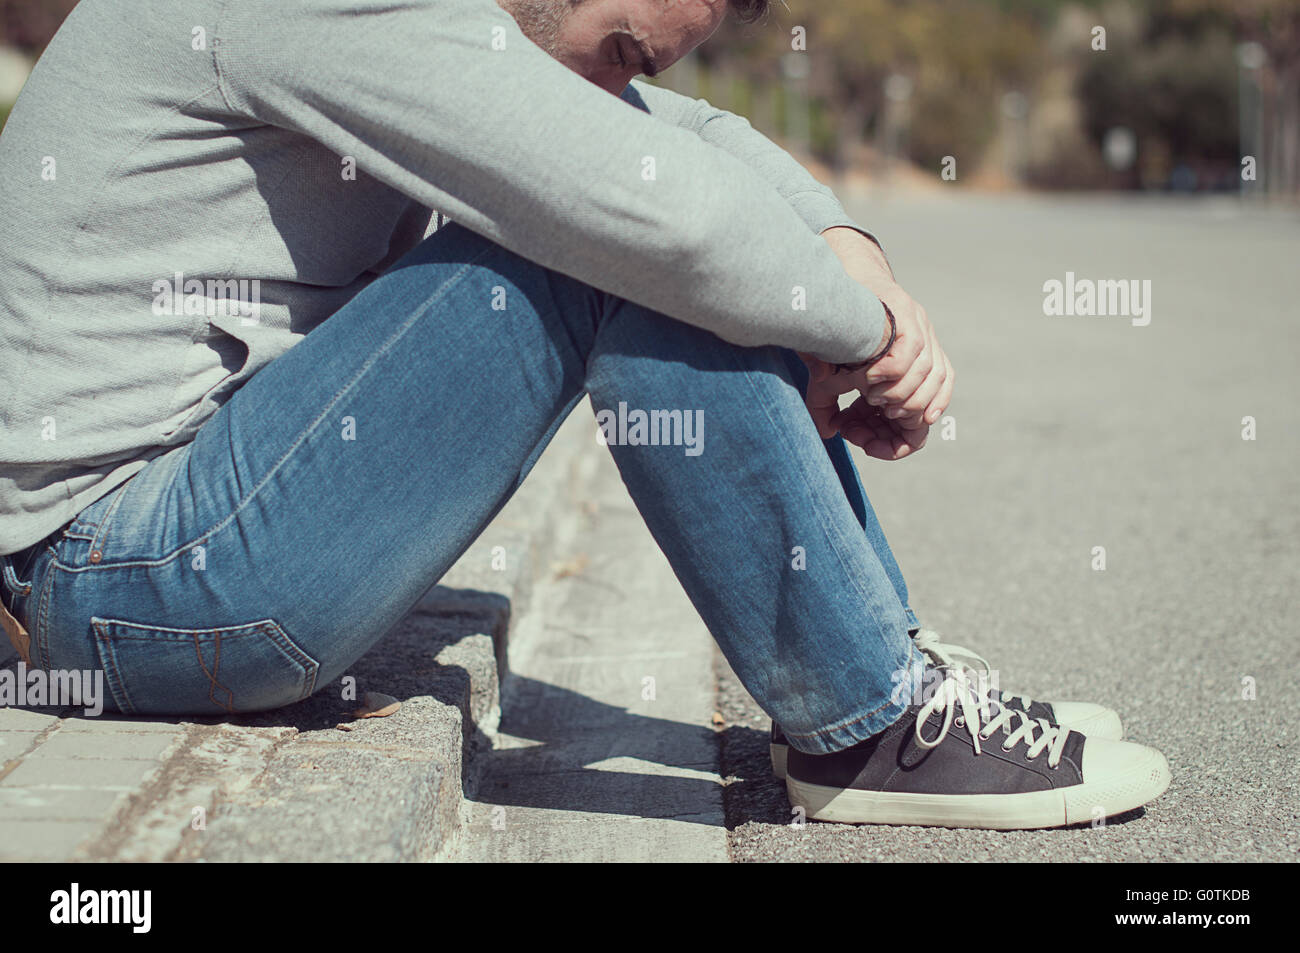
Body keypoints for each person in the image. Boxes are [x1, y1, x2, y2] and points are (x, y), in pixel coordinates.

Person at [0, 0, 1169, 829]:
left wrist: (846, 248)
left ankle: (882, 675)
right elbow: (665, 215)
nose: (622, 92)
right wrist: (862, 334)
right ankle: (871, 722)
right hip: (107, 575)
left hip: (162, 547)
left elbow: (680, 139)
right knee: (608, 246)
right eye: (618, 54)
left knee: (645, 225)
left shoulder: (433, 21)